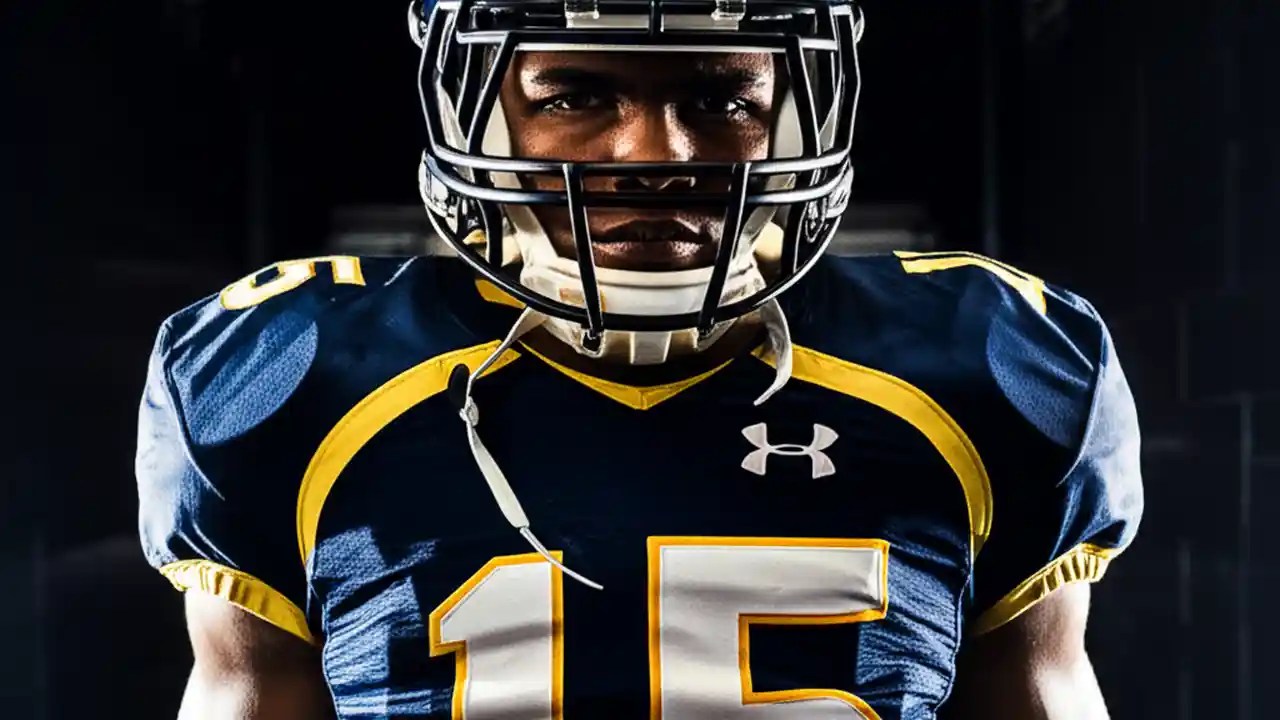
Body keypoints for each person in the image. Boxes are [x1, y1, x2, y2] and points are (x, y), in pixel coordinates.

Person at [135, 1, 1143, 718]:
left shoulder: (986, 362)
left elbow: (1038, 688)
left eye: (717, 97)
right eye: (574, 93)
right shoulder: (286, 371)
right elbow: (247, 693)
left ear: (794, 108)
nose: (651, 152)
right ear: (479, 105)